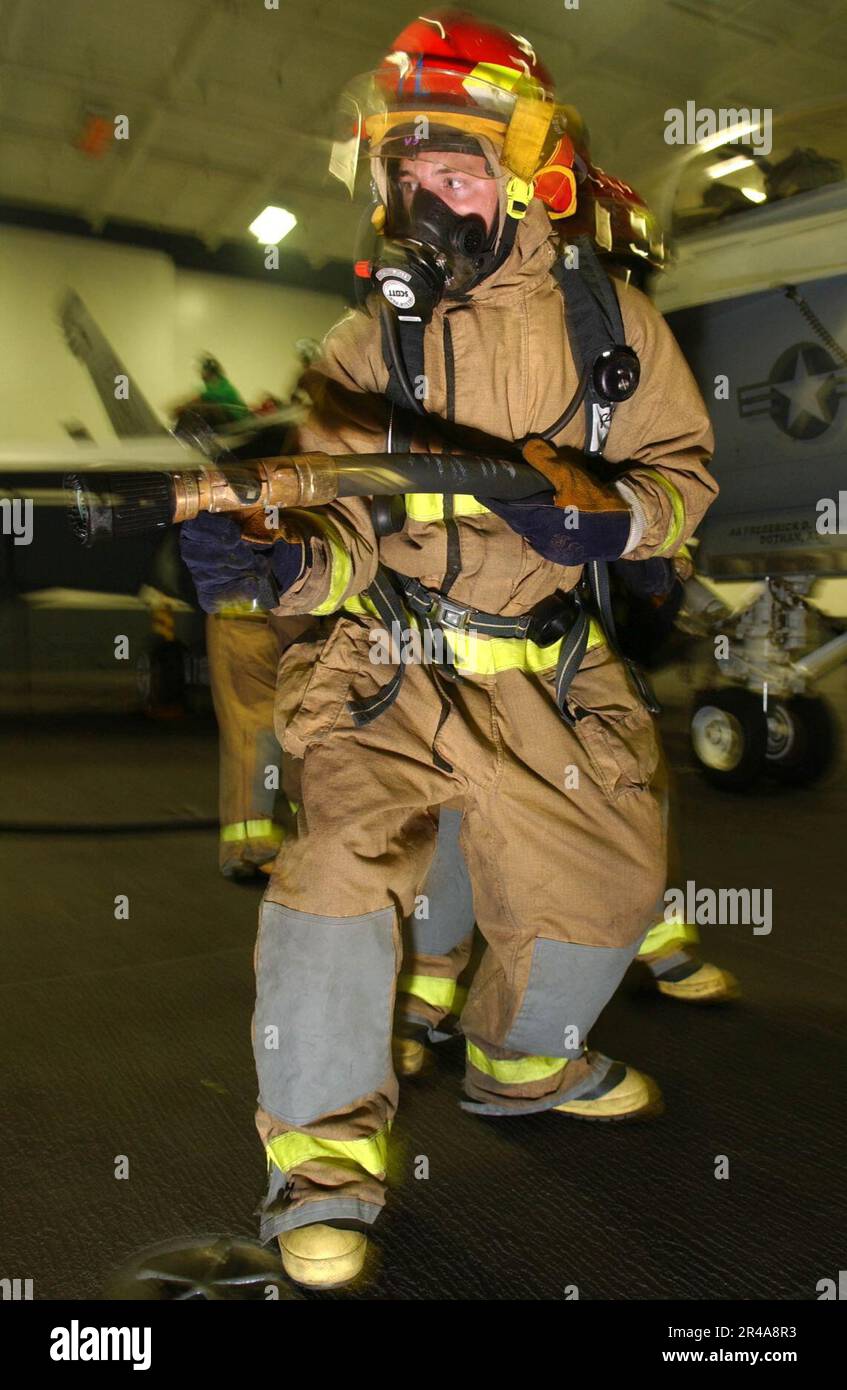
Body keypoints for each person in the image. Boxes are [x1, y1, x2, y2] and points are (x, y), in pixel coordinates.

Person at [180, 8, 719, 1289]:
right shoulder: (364, 349)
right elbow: (340, 533)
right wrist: (280, 560)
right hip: (390, 670)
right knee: (330, 881)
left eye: (459, 172)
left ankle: (521, 1066)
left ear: (524, 176)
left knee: (606, 897)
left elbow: (685, 482)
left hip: (550, 671)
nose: (431, 201)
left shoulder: (615, 327)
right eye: (409, 177)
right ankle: (321, 1170)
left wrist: (608, 517)